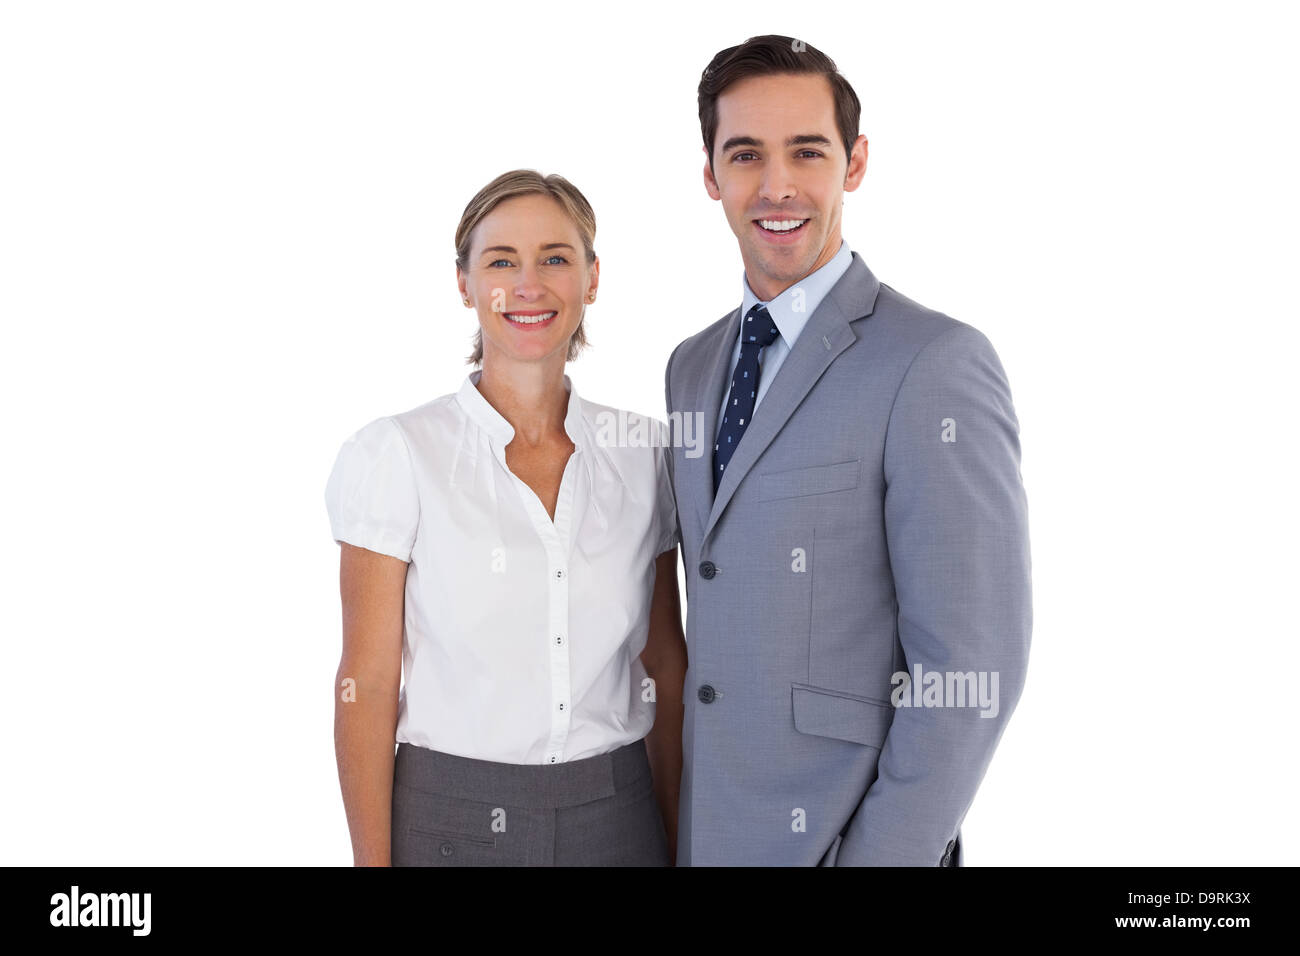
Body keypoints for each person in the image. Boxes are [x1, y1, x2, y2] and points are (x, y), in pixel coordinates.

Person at [662, 35, 1033, 865]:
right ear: (711, 175)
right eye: (746, 154)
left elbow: (971, 670)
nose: (777, 185)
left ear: (854, 162)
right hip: (706, 836)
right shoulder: (691, 367)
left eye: (808, 152)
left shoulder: (934, 364)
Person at [326, 169, 687, 866]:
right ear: (464, 283)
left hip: (618, 819)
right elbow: (366, 684)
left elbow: (663, 663)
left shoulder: (644, 455)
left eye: (555, 258)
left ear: (592, 277)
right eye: (500, 261)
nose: (529, 285)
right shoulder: (398, 454)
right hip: (449, 822)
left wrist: (678, 841)